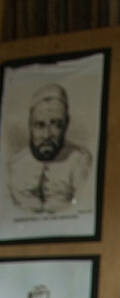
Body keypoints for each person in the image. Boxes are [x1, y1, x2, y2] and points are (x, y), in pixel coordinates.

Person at [6, 82, 92, 214]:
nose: (47, 135)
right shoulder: (14, 165)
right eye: (40, 125)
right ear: (30, 125)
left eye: (56, 124)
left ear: (66, 124)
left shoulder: (80, 161)